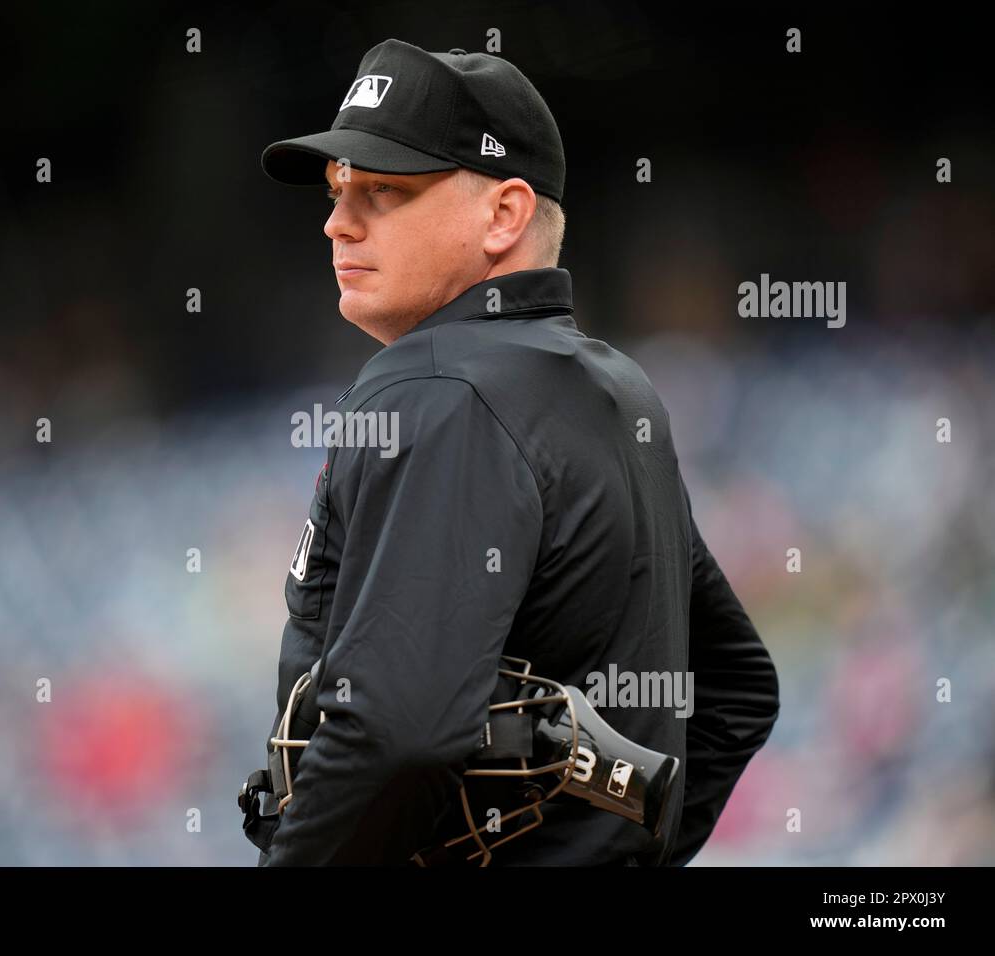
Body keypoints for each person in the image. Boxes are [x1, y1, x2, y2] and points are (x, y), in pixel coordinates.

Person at [252, 38, 780, 866]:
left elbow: (398, 730)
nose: (337, 220)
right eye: (337, 190)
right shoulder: (618, 389)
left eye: (383, 189)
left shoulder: (431, 387)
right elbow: (739, 689)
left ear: (504, 214)